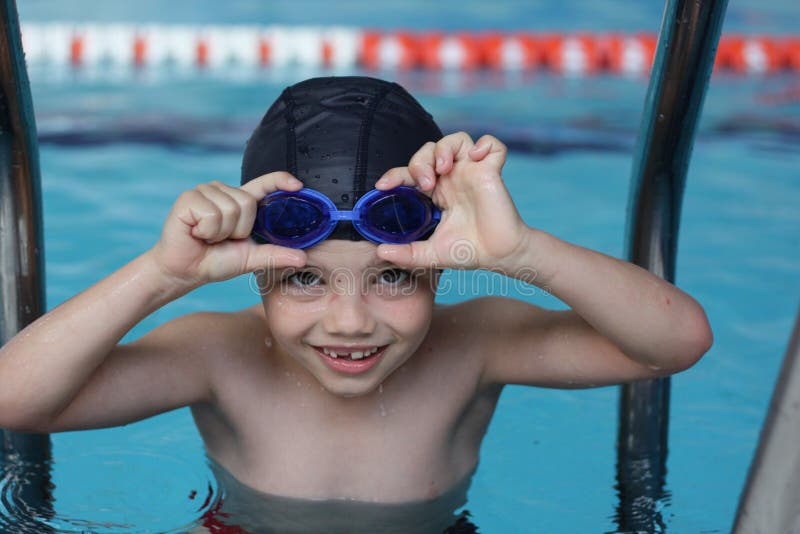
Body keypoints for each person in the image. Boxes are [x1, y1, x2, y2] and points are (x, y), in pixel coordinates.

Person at [0, 76, 712, 532]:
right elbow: (15, 400)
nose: (350, 321)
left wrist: (521, 253)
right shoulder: (218, 355)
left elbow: (675, 342)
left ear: (438, 271)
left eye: (392, 278)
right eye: (306, 280)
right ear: (256, 275)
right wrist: (160, 274)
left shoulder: (476, 345)